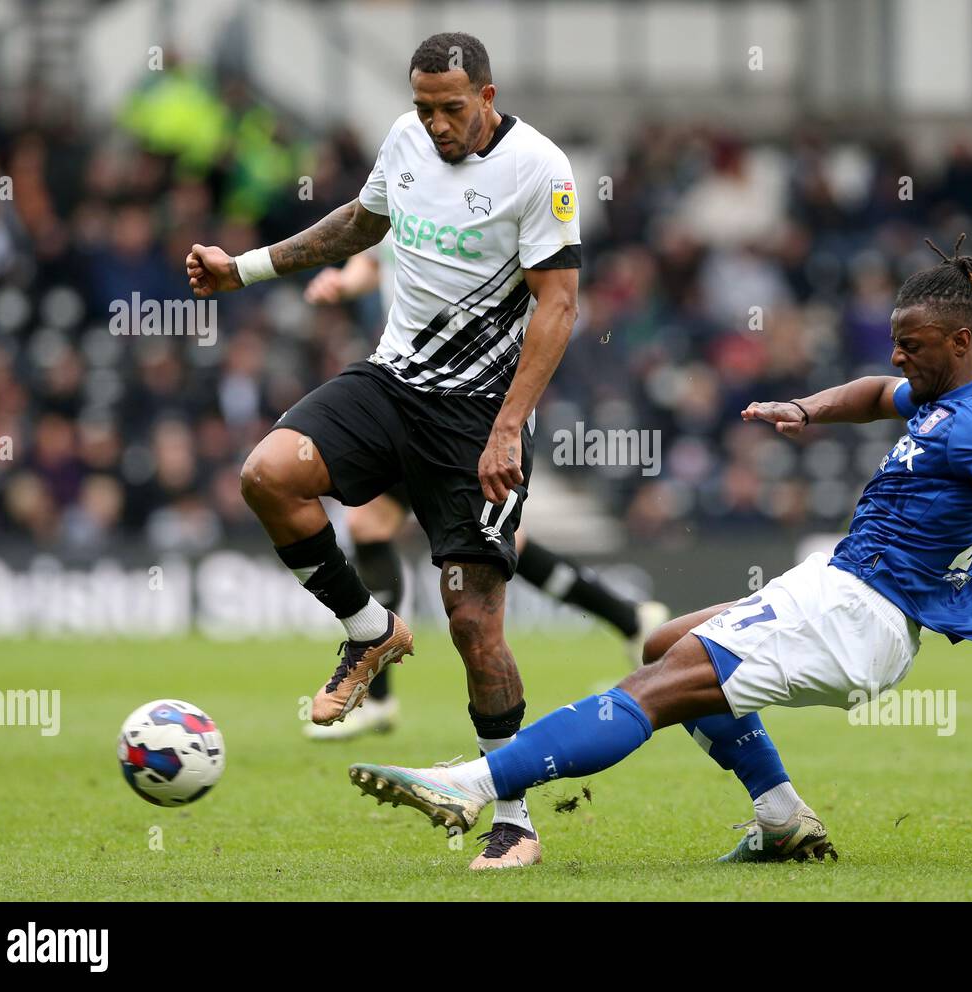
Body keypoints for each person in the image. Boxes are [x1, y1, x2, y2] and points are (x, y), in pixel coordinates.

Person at [348, 238, 972, 863]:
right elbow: (867, 392)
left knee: (652, 689)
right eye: (895, 342)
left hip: (858, 611)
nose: (898, 358)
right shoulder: (939, 394)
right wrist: (807, 409)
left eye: (912, 346)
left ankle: (472, 783)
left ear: (961, 341)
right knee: (664, 642)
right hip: (844, 590)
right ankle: (782, 816)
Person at [187, 32, 589, 869]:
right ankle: (368, 630)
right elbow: (359, 225)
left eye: (451, 108)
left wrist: (509, 427)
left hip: (477, 417)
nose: (436, 125)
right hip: (390, 384)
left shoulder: (540, 169)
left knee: (475, 624)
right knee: (267, 474)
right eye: (423, 108)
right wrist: (247, 268)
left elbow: (557, 307)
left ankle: (512, 816)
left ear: (487, 94)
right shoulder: (405, 143)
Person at [301, 249, 667, 741]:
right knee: (478, 542)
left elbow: (548, 296)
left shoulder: (471, 201)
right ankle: (630, 618)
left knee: (473, 550)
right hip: (411, 393)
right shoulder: (402, 187)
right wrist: (345, 282)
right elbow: (374, 259)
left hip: (458, 406)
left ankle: (386, 698)